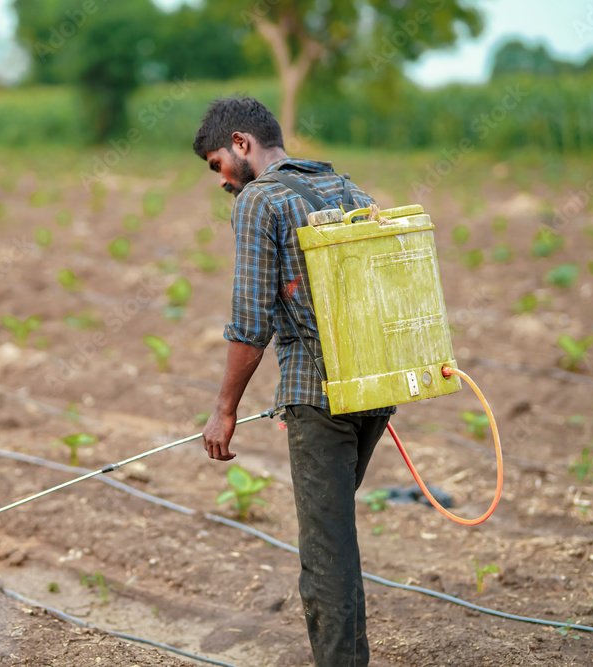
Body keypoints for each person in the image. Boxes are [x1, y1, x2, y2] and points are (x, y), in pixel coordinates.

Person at [193, 96, 395, 667]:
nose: (222, 180)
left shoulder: (259, 201)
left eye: (217, 165)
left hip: (317, 397)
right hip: (376, 391)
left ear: (240, 143)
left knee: (325, 556)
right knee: (337, 538)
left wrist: (224, 408)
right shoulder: (348, 190)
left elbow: (250, 322)